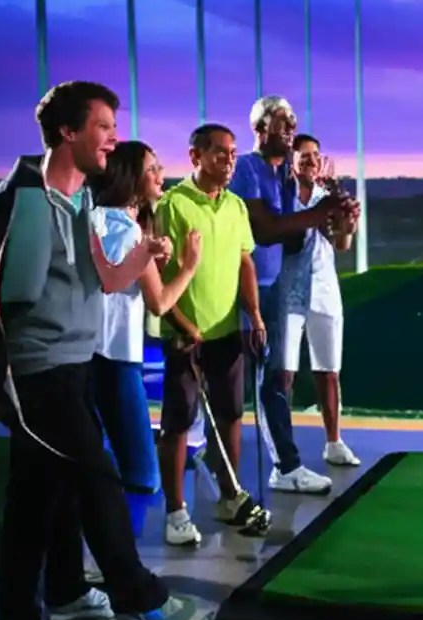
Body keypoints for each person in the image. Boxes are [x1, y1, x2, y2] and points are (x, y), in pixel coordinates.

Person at [0, 81, 194, 620]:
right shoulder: (30, 203)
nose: (113, 139)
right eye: (103, 127)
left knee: (36, 501)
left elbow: (107, 281)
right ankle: (136, 590)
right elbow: (2, 296)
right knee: (97, 476)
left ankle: (34, 612)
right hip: (40, 375)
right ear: (68, 132)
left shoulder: (82, 201)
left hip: (75, 368)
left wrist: (145, 251)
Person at [155, 123, 272, 545]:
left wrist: (254, 315)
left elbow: (245, 263)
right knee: (178, 422)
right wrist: (181, 325)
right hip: (183, 335)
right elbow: (157, 276)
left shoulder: (236, 206)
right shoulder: (173, 204)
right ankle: (176, 513)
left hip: (227, 331)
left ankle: (229, 496)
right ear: (196, 156)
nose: (229, 160)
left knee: (230, 416)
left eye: (233, 153)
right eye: (220, 152)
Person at [228, 96, 340, 494]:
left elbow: (290, 239)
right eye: (282, 121)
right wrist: (321, 211)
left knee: (271, 378)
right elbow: (265, 230)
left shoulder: (285, 177)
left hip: (273, 288)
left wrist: (332, 215)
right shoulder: (246, 168)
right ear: (260, 128)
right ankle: (230, 458)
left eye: (293, 120)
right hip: (242, 289)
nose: (291, 127)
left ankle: (284, 466)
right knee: (242, 381)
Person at [87, 141, 201, 506]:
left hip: (86, 355)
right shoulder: (128, 231)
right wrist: (189, 267)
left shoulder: (96, 219)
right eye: (151, 169)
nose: (160, 174)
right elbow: (159, 302)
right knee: (143, 475)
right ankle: (118, 540)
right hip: (116, 359)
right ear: (131, 179)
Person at [271, 134, 362, 467]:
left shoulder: (328, 197)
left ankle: (334, 442)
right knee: (285, 373)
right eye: (304, 155)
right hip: (288, 288)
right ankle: (284, 448)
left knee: (329, 370)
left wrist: (348, 225)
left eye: (316, 155)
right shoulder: (281, 196)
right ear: (292, 161)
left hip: (324, 289)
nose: (311, 160)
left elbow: (341, 245)